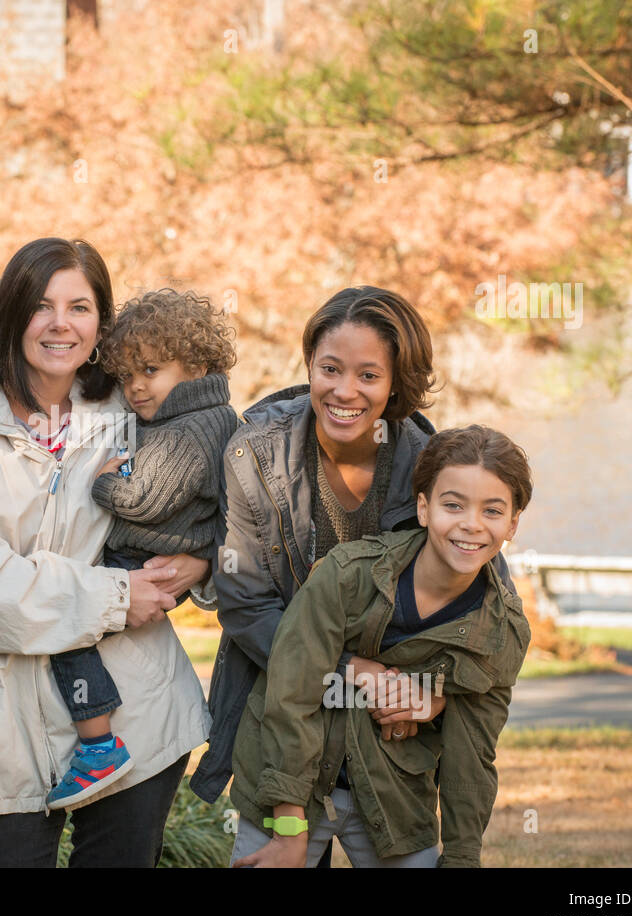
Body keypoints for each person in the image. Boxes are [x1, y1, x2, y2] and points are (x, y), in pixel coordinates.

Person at [0, 238, 212, 867]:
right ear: (12, 312)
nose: (60, 324)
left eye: (80, 307)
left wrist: (203, 560)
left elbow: (213, 483)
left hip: (139, 713)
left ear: (101, 321)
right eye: (42, 305)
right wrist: (117, 597)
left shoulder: (131, 405)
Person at [190, 286, 447, 819]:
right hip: (283, 708)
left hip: (390, 724)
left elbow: (483, 605)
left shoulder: (432, 467)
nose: (344, 391)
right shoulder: (256, 453)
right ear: (309, 364)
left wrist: (431, 692)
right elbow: (245, 607)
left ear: (396, 382)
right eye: (330, 369)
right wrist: (356, 672)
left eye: (368, 375)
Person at [229, 425, 534, 867]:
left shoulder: (500, 631)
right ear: (424, 509)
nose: (471, 524)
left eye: (492, 510)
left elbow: (474, 752)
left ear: (512, 524)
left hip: (393, 798)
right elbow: (290, 694)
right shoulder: (347, 574)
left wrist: (463, 857)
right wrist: (289, 828)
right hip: (288, 786)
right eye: (453, 505)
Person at [44, 288, 239, 810]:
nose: (134, 387)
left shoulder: (193, 428)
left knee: (67, 626)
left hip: (144, 559)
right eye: (127, 375)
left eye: (150, 370)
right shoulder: (186, 418)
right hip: (156, 555)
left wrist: (106, 482)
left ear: (196, 365)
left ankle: (98, 744)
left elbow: (145, 497)